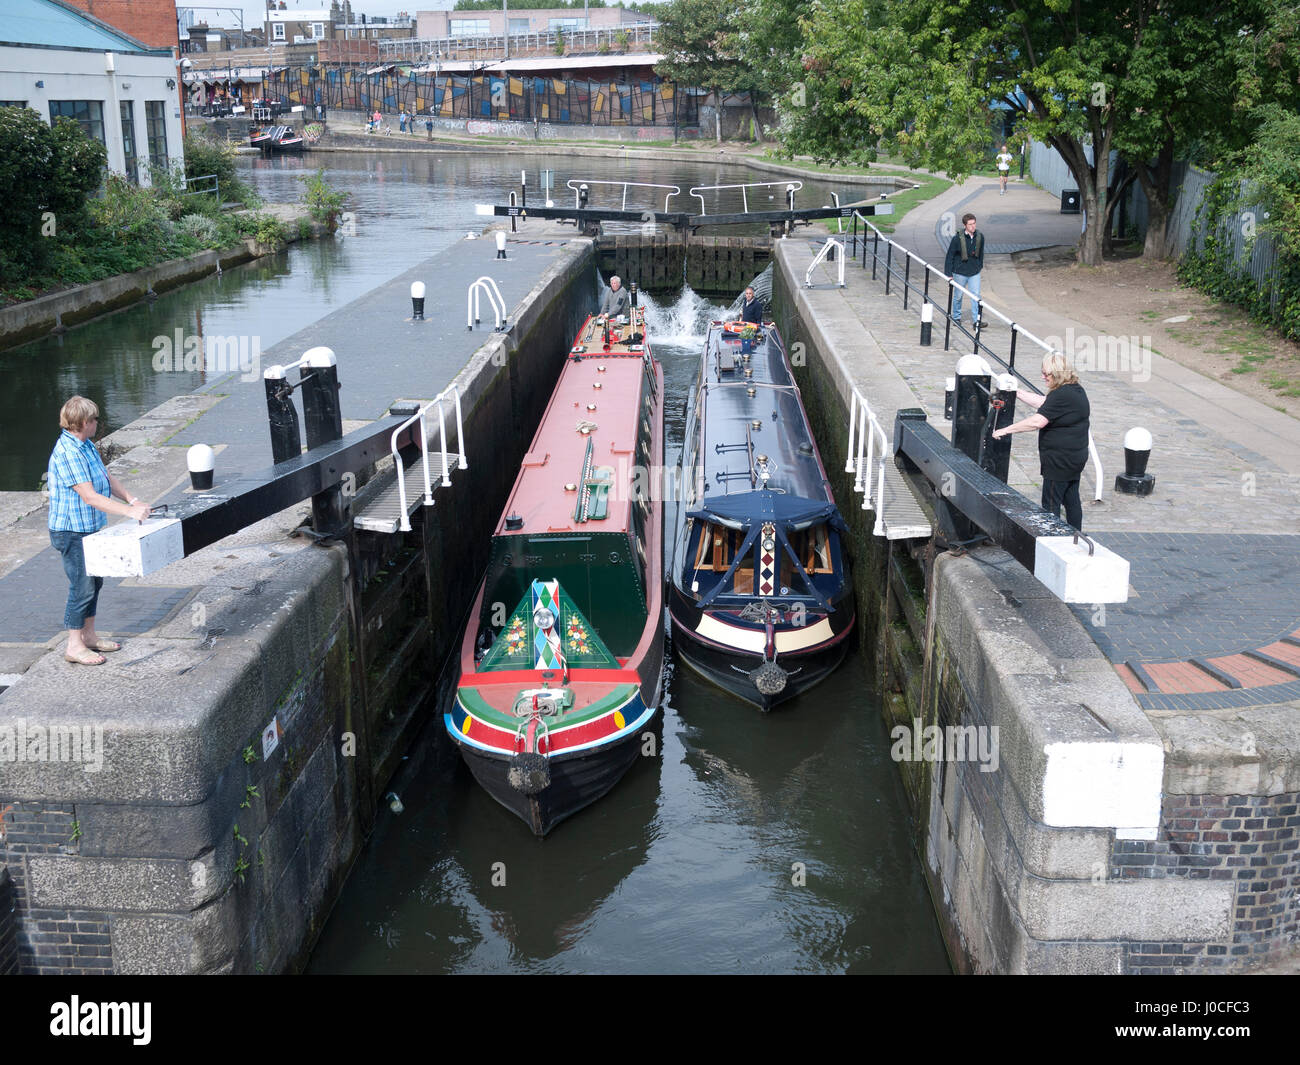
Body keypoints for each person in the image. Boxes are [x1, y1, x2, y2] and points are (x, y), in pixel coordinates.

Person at [47, 397, 151, 665]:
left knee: (95, 582)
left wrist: (132, 500)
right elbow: (90, 497)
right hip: (71, 531)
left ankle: (89, 636)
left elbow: (106, 478)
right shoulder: (68, 453)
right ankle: (73, 645)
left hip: (90, 528)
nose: (97, 423)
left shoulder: (85, 446)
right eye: (94, 420)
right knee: (81, 587)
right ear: (83, 423)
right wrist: (129, 513)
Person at [991, 353, 1091, 531]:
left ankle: (1052, 540)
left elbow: (1037, 422)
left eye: (1047, 374)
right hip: (1075, 457)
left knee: (1051, 504)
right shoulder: (1075, 389)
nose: (1043, 377)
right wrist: (1016, 392)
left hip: (1060, 459)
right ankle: (1076, 535)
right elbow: (1045, 403)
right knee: (1071, 498)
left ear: (1058, 374)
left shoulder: (1062, 395)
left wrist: (1005, 430)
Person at [944, 213, 984, 327]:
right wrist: (949, 273)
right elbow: (950, 255)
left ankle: (976, 321)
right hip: (960, 272)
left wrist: (979, 266)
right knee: (958, 295)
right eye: (970, 224)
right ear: (965, 225)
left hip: (974, 272)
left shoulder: (980, 237)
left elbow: (981, 254)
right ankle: (956, 317)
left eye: (974, 223)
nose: (973, 226)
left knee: (976, 295)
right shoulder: (957, 239)